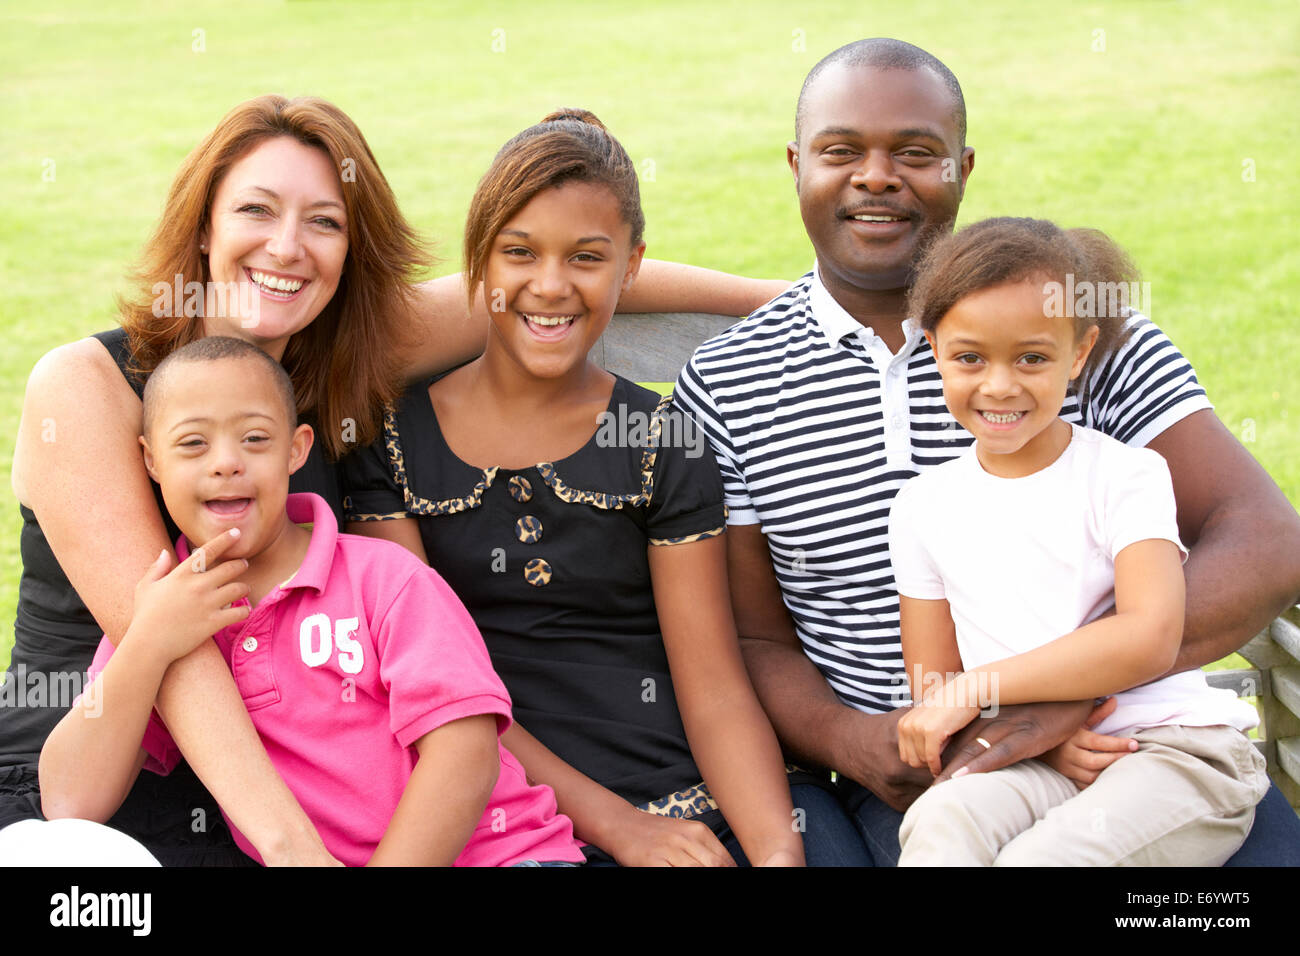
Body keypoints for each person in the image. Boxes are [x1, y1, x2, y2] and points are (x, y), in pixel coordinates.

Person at [2, 94, 783, 865]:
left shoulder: (345, 363)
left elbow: (559, 274)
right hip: (91, 798)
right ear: (204, 225)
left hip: (288, 804)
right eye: (256, 211)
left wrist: (805, 304)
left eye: (324, 222)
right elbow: (180, 654)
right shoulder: (87, 387)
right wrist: (291, 849)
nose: (286, 248)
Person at [671, 38, 1300, 865]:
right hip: (900, 770)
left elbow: (1265, 537)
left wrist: (1060, 701)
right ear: (796, 165)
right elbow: (753, 638)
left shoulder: (1083, 332)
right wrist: (857, 742)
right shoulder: (729, 381)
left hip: (1133, 742)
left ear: (963, 167)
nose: (876, 177)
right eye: (841, 151)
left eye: (917, 154)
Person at [342, 109, 805, 866]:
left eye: (587, 259)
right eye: (519, 252)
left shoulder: (661, 443)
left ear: (631, 267)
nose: (550, 286)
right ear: (479, 263)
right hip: (501, 816)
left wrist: (776, 855)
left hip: (682, 800)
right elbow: (442, 692)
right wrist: (617, 828)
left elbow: (715, 688)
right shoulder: (391, 447)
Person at [37, 337, 584, 867]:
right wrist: (147, 644)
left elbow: (465, 756)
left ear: (296, 450)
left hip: (506, 855)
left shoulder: (384, 579)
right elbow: (69, 802)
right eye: (193, 443)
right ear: (151, 461)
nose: (227, 462)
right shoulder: (163, 613)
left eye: (254, 439)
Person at [888, 217, 1268, 865]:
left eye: (1032, 357)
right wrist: (1027, 734)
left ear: (1081, 354)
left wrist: (977, 690)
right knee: (941, 825)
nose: (1000, 385)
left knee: (1047, 860)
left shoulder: (1125, 475)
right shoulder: (922, 506)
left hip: (1172, 751)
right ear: (933, 349)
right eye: (969, 357)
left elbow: (1149, 636)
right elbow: (935, 680)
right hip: (1033, 757)